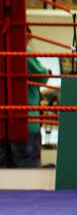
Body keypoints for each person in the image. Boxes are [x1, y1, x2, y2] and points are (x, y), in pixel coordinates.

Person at [0, 26, 51, 168]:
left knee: (4, 174)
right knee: (29, 173)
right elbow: (42, 76)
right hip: (26, 122)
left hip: (3, 123)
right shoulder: (23, 52)